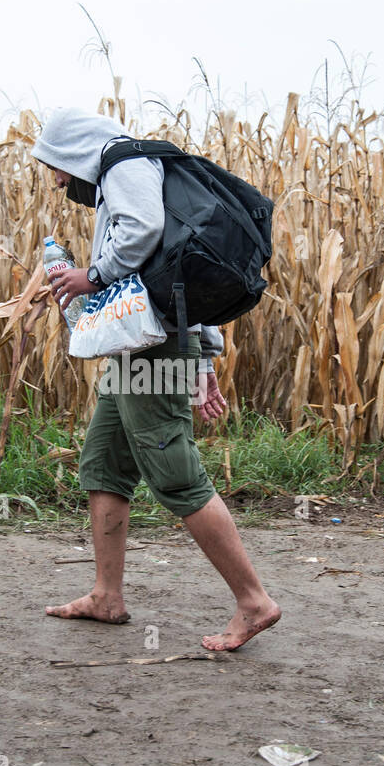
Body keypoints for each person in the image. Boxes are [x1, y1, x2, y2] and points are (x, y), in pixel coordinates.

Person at [30, 108, 280, 651]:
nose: (55, 179)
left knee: (174, 472)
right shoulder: (139, 168)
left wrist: (89, 275)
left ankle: (253, 600)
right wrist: (204, 358)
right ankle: (106, 596)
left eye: (54, 165)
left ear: (74, 151)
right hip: (141, 344)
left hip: (149, 347)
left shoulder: (123, 164)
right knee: (104, 463)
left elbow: (144, 234)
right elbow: (181, 271)